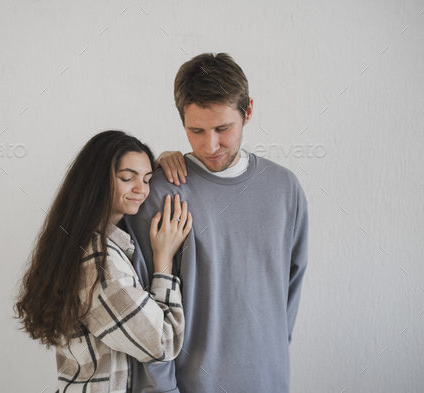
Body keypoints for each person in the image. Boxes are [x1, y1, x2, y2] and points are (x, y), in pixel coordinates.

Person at [124, 53, 309, 392]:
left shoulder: (285, 189)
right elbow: (141, 315)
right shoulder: (156, 194)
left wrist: (272, 363)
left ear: (248, 111)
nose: (210, 145)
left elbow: (290, 290)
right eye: (196, 130)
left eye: (223, 128)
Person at [14, 130, 193, 393]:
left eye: (146, 179)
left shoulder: (82, 243)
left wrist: (164, 163)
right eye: (127, 178)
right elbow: (162, 343)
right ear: (96, 181)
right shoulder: (99, 262)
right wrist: (163, 259)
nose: (141, 190)